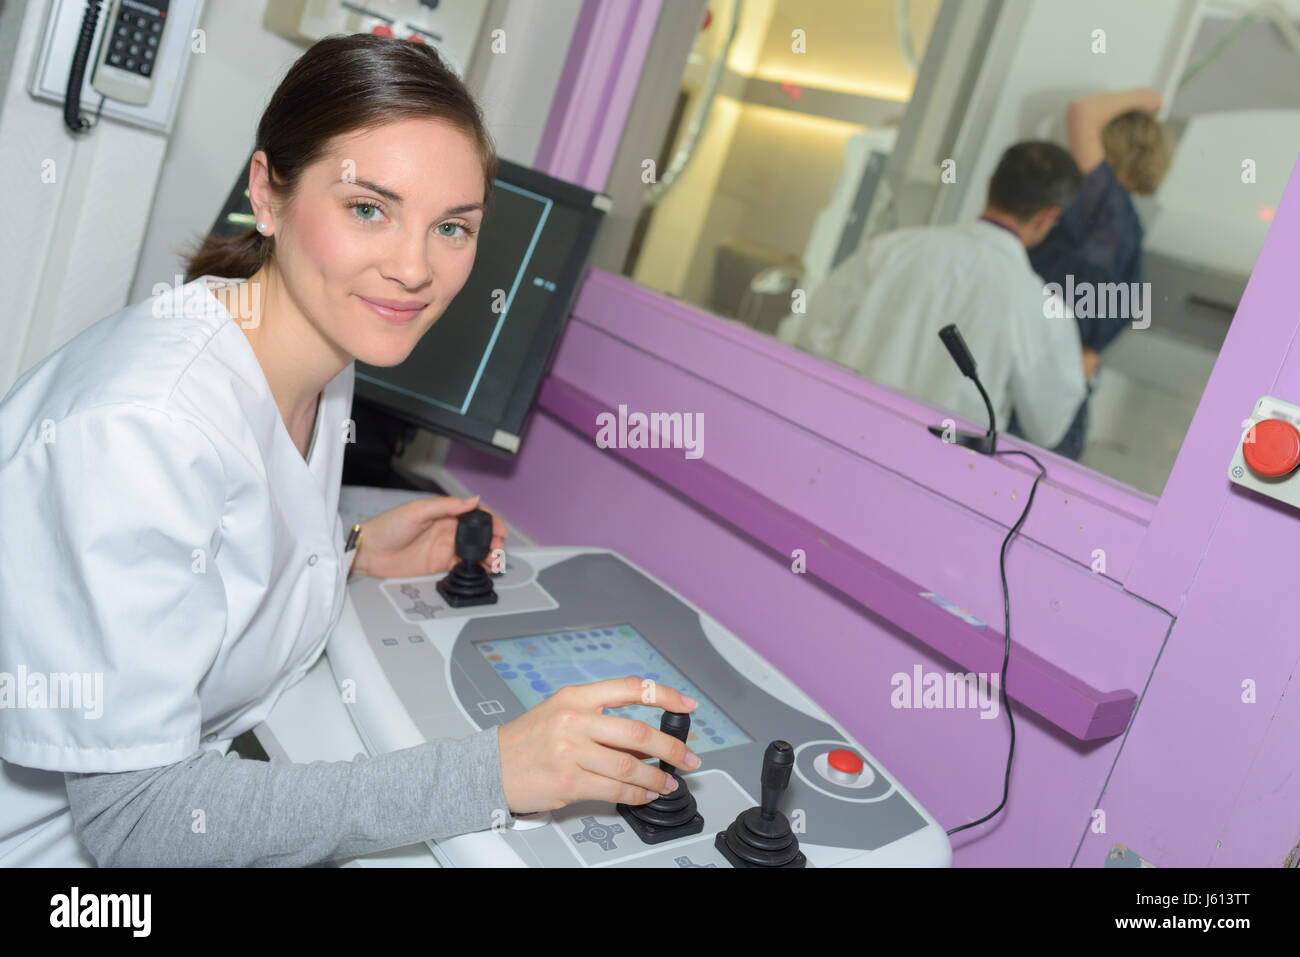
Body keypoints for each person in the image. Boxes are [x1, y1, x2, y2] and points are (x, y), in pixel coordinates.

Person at [0, 35, 699, 867]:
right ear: (267, 193)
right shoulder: (146, 429)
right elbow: (139, 819)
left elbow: (213, 558)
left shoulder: (311, 352)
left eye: (452, 227)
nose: (414, 268)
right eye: (368, 208)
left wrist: (347, 552)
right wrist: (492, 772)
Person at [795, 141, 1093, 450]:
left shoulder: (891, 250)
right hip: (932, 477)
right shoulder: (1041, 309)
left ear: (990, 184)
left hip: (833, 441)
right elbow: (1049, 428)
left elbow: (811, 337)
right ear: (1047, 217)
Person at [1023, 88, 1172, 459]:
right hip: (1064, 406)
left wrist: (1150, 98)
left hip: (1037, 398)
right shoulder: (1125, 233)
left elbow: (1081, 110)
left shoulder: (1105, 206)